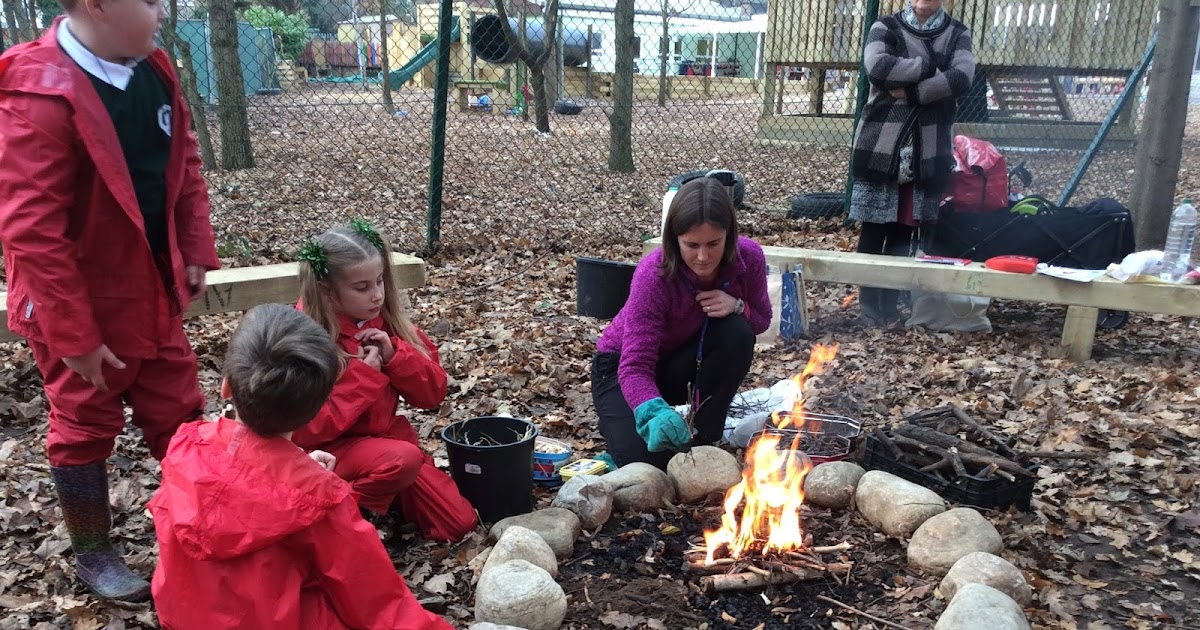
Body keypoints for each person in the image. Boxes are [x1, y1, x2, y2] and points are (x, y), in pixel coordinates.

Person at [0, 0, 220, 602]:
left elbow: (184, 160)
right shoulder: (39, 93)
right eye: (148, 0)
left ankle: (202, 520)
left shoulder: (153, 66)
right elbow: (33, 231)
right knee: (84, 420)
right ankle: (93, 549)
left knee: (177, 404)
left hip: (150, 286)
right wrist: (74, 335)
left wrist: (195, 246)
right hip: (81, 302)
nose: (161, 9)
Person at [150, 304, 453, 630]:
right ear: (316, 410)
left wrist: (295, 469)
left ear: (225, 386)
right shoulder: (323, 500)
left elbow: (236, 485)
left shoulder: (186, 447)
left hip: (185, 616)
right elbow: (380, 608)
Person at [293, 220, 476, 541]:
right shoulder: (303, 337)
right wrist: (363, 378)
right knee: (401, 460)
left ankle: (374, 502)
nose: (377, 295)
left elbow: (432, 395)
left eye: (380, 281)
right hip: (324, 457)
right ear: (327, 291)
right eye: (362, 287)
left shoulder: (384, 325)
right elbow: (304, 428)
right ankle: (345, 513)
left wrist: (396, 356)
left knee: (457, 523)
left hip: (384, 447)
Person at [592, 177, 770, 470]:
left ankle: (705, 437)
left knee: (737, 332)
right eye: (692, 245)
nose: (703, 257)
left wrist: (737, 305)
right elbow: (634, 366)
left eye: (714, 243)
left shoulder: (748, 257)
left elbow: (761, 322)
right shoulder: (654, 275)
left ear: (730, 235)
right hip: (619, 368)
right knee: (649, 463)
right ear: (674, 239)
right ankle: (621, 426)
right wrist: (651, 411)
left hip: (680, 363)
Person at [848, 0, 975, 324]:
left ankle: (890, 303)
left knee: (906, 229)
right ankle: (868, 304)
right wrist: (931, 70)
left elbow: (962, 77)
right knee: (874, 227)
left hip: (929, 146)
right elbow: (877, 68)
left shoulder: (958, 33)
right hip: (882, 143)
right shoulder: (885, 27)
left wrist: (912, 92)